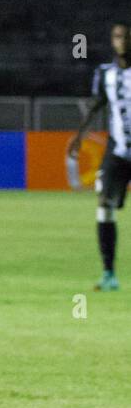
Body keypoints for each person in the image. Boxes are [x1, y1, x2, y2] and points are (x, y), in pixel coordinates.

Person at [69, 22, 130, 292]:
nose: (123, 40)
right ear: (112, 41)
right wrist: (79, 135)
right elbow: (96, 106)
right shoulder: (105, 73)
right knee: (104, 203)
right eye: (118, 36)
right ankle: (109, 274)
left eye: (126, 36)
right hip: (117, 151)